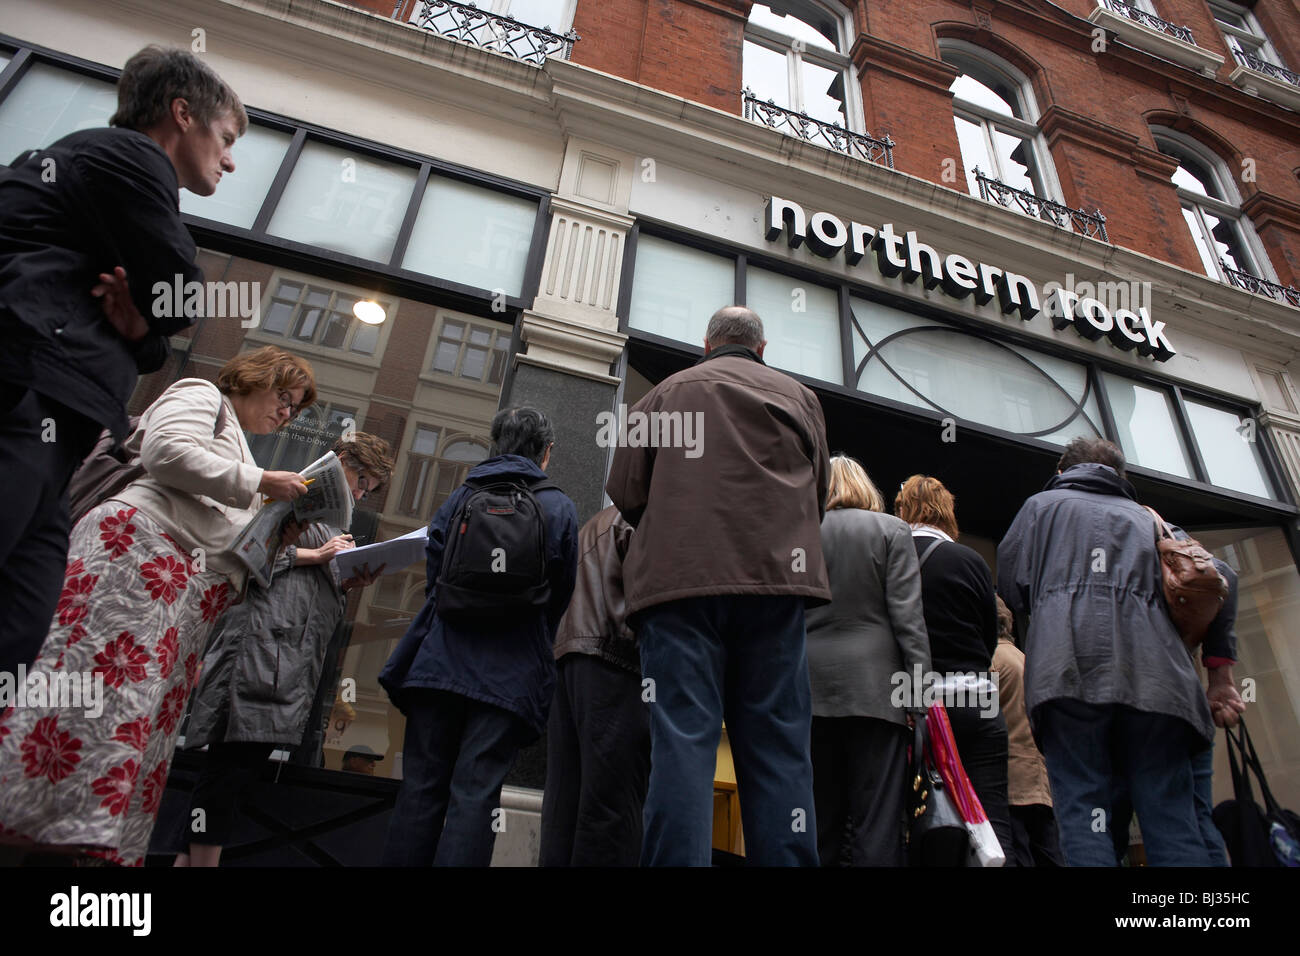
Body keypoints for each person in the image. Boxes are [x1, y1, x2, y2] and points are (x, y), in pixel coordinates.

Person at [0, 346, 315, 866]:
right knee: (90, 703)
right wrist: (262, 484)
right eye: (284, 398)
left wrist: (278, 533)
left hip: (177, 600)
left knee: (127, 719)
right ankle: (34, 826)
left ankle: (74, 846)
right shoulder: (203, 395)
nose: (286, 414)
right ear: (252, 379)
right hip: (137, 567)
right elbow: (166, 451)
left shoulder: (241, 451)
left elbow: (225, 537)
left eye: (295, 409)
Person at [0, 45, 246, 677]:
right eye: (225, 137)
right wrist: (152, 319)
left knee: (20, 625)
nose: (231, 159)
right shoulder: (126, 157)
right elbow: (183, 295)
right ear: (181, 114)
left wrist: (144, 326)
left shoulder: (121, 177)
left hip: (58, 419)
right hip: (26, 391)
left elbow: (157, 334)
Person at [606, 305, 831, 867]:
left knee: (682, 746)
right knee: (779, 748)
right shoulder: (800, 398)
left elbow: (626, 492)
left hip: (680, 586)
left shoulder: (662, 395)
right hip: (776, 586)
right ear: (762, 347)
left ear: (707, 343)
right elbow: (819, 493)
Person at [175, 433, 394, 867]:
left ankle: (191, 861)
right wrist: (314, 555)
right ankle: (199, 861)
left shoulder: (335, 524)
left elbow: (308, 590)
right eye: (360, 479)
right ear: (342, 461)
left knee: (237, 771)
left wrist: (348, 579)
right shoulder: (290, 495)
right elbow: (244, 561)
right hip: (260, 649)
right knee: (228, 768)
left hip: (289, 659)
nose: (359, 492)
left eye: (368, 489)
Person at [996, 437, 1217, 866]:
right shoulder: (1152, 521)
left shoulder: (1040, 508)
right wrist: (1221, 672)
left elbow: (1013, 587)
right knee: (1171, 819)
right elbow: (1218, 576)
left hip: (1068, 672)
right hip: (1159, 682)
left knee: (1084, 811)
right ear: (1122, 477)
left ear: (1062, 471)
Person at [379, 406, 578, 866]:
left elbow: (435, 581)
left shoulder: (460, 496)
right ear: (546, 453)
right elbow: (560, 597)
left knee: (420, 791)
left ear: (496, 444)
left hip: (438, 666)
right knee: (476, 796)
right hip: (507, 677)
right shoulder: (559, 507)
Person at [805, 456, 929, 867]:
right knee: (877, 822)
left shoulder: (801, 534)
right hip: (879, 695)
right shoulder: (892, 531)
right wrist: (918, 700)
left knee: (819, 819)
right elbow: (908, 621)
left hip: (809, 691)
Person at [894, 474, 1015, 865]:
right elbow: (989, 635)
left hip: (913, 701)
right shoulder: (971, 560)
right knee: (992, 817)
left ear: (901, 509)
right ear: (947, 512)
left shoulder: (891, 555)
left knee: (914, 813)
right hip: (975, 698)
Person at [1111, 532, 1244, 866]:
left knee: (1117, 817)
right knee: (1195, 814)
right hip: (1188, 697)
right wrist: (1220, 678)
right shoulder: (1163, 537)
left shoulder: (1125, 541)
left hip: (1132, 698)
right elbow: (1225, 574)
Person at [539, 505, 649, 867]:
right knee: (610, 806)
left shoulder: (597, 522)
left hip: (569, 656)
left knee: (563, 804)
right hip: (614, 658)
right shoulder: (643, 517)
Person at [990, 596, 1062, 867]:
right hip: (1039, 779)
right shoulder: (1023, 658)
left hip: (1012, 778)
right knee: (1049, 853)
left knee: (1020, 854)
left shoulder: (993, 662)